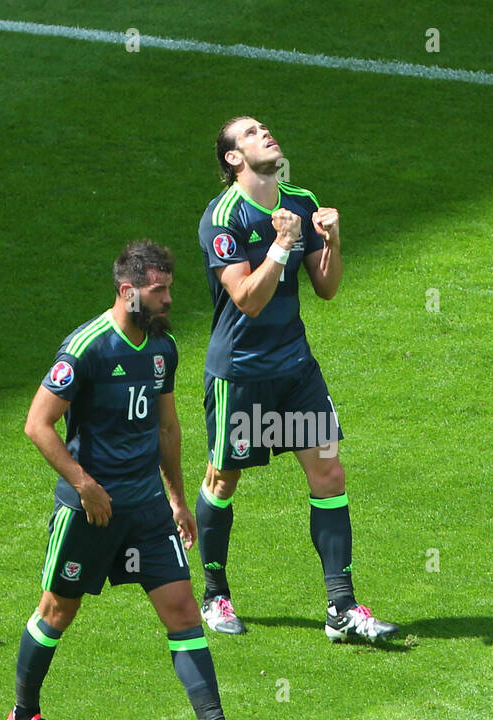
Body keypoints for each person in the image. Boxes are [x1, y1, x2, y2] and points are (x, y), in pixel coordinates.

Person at [4, 240, 282, 720]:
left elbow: (167, 428)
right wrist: (84, 484)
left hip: (148, 510)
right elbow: (37, 425)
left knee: (181, 610)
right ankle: (23, 717)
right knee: (57, 611)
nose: (168, 298)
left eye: (170, 288)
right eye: (159, 291)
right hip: (90, 511)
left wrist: (178, 501)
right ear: (128, 291)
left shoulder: (163, 349)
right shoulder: (86, 348)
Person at [194, 116, 397, 643]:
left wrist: (330, 241)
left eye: (266, 128)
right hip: (240, 373)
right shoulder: (222, 218)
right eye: (252, 133)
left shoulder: (301, 199)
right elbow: (247, 299)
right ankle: (215, 595)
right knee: (223, 480)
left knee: (329, 476)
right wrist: (282, 245)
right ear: (234, 159)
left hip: (295, 368)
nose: (267, 134)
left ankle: (342, 609)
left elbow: (326, 288)